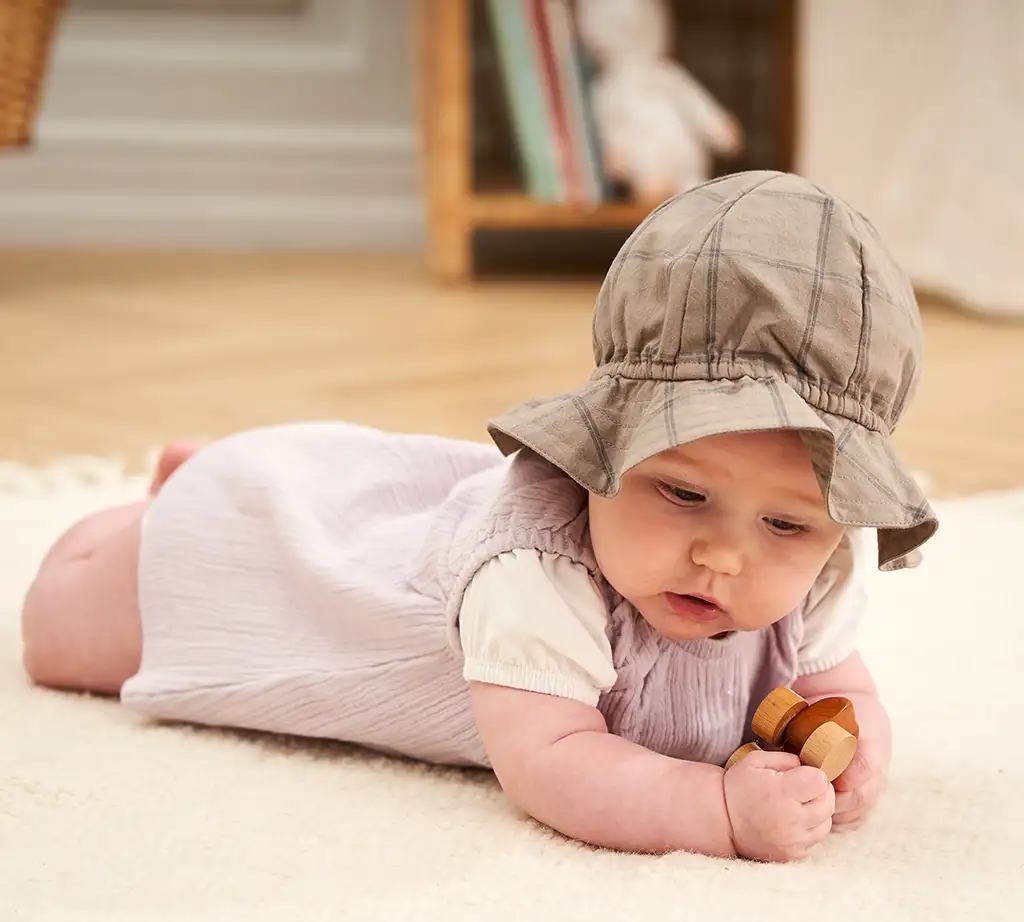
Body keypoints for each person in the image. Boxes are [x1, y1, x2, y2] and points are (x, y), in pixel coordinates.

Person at [19, 170, 937, 863]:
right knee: (58, 633)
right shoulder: (535, 576)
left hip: (396, 523)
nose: (723, 557)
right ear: (607, 451)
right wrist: (719, 814)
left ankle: (210, 471)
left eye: (785, 527)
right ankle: (175, 502)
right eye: (684, 493)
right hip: (269, 566)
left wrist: (860, 752)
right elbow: (553, 765)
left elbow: (843, 691)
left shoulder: (822, 560)